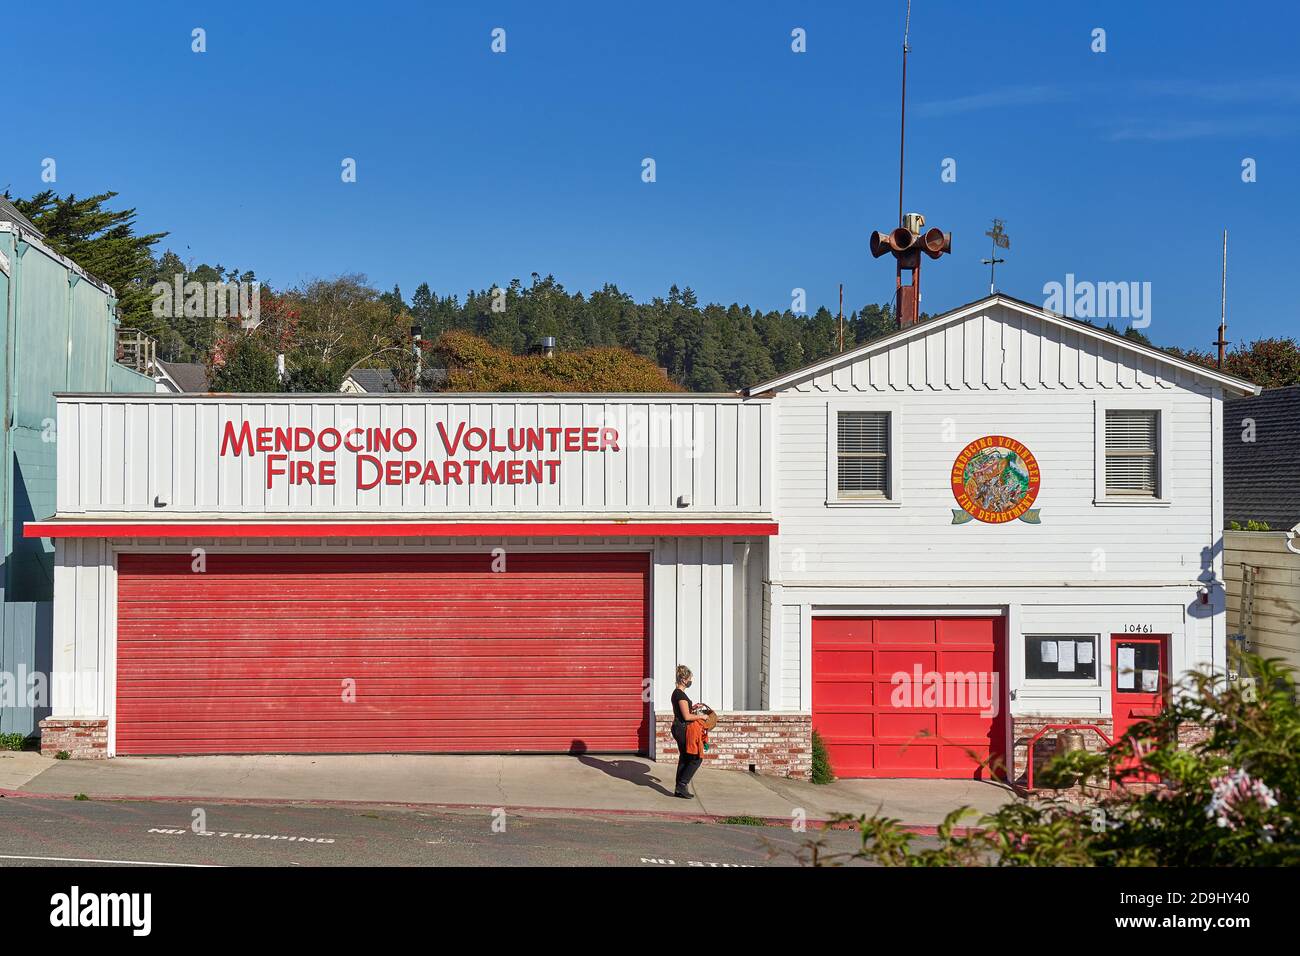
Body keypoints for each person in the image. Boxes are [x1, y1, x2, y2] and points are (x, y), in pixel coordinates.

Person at [671, 664, 703, 798]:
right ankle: (682, 784)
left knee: (685, 757)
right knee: (695, 758)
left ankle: (679, 788)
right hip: (683, 728)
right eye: (690, 678)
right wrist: (702, 716)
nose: (691, 681)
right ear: (684, 680)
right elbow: (687, 717)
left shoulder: (678, 694)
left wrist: (694, 707)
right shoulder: (680, 695)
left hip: (679, 727)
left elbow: (685, 712)